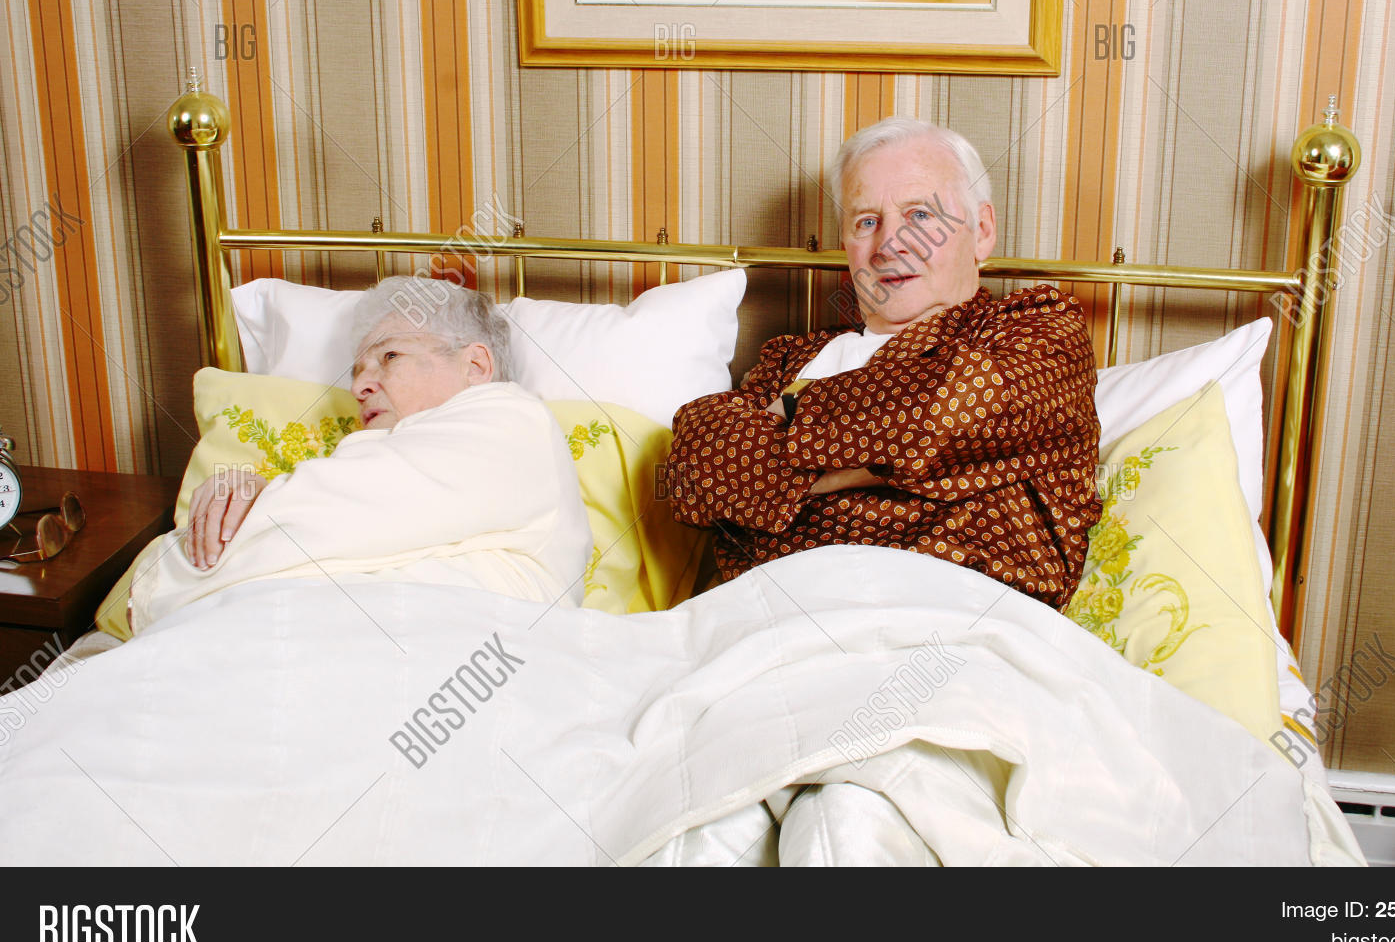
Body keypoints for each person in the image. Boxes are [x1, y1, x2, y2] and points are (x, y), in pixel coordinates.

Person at [668, 117, 1102, 611]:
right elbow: (692, 472)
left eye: (920, 214)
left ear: (981, 231)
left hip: (955, 618)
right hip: (772, 616)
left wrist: (781, 430)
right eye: (867, 222)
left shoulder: (1037, 329)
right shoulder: (789, 357)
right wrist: (879, 462)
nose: (891, 244)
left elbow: (941, 412)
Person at [131, 276, 592, 630]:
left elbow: (300, 527)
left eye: (389, 356)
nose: (358, 387)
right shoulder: (364, 468)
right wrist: (248, 496)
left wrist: (249, 509)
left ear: (475, 364)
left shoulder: (512, 420)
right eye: (356, 371)